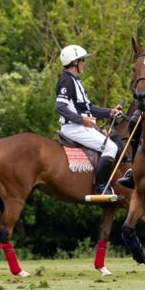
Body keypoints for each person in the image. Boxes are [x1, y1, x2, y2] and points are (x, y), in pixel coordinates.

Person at [53, 44, 122, 190]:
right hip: (73, 128)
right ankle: (101, 186)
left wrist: (110, 112)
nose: (84, 63)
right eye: (82, 60)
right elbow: (59, 107)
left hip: (80, 126)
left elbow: (88, 108)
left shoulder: (76, 80)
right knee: (110, 147)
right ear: (75, 62)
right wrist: (82, 120)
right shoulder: (67, 80)